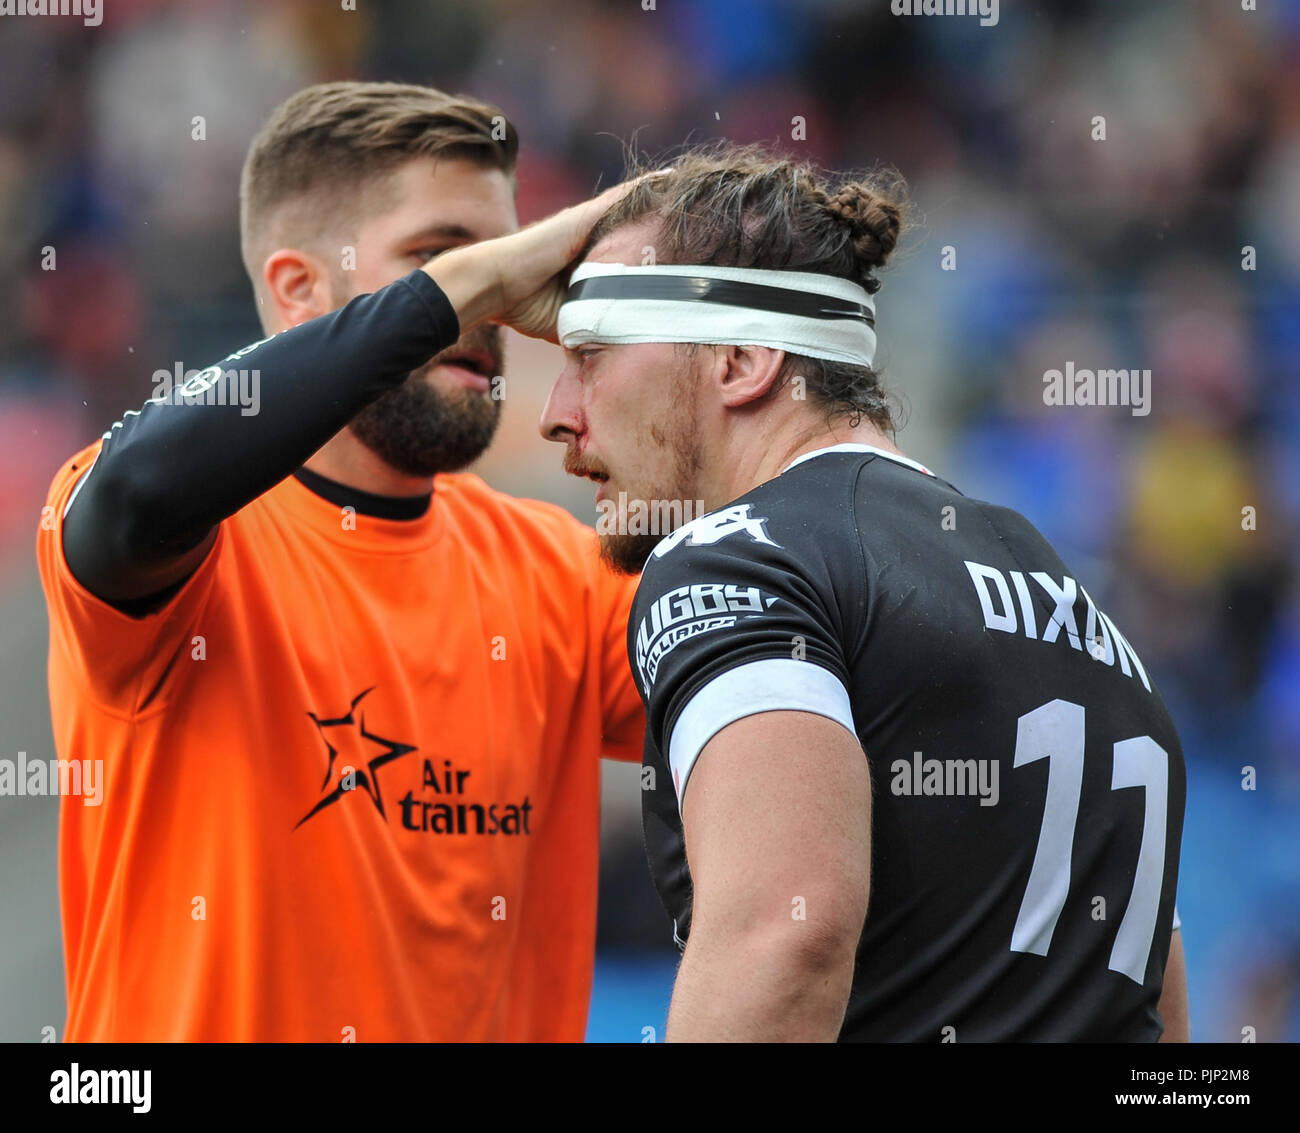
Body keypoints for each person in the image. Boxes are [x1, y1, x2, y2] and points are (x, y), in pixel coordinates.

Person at [37, 81, 647, 1042]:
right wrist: (461, 291)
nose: (499, 301)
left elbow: (807, 672)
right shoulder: (190, 540)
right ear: (297, 290)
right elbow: (139, 495)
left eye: (510, 257)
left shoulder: (562, 575)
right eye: (446, 259)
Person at [539, 143, 1189, 1042]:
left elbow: (782, 937)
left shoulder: (741, 556)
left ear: (740, 359)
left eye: (591, 355)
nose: (557, 412)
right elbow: (1159, 1003)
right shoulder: (1069, 592)